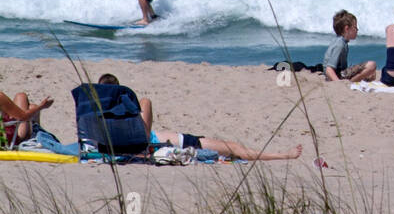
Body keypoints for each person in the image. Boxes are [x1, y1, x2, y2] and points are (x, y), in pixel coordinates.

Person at [96, 76, 303, 161]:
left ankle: (281, 155)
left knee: (231, 148)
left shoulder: (99, 124)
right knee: (233, 148)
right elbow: (144, 119)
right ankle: (281, 155)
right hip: (182, 142)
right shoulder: (132, 123)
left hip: (152, 142)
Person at [323, 11, 377, 83]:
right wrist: (339, 83)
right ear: (347, 29)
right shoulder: (340, 44)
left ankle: (350, 81)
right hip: (335, 76)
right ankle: (350, 82)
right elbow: (329, 69)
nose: (357, 30)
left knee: (372, 74)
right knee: (371, 65)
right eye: (355, 27)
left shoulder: (341, 41)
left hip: (339, 73)